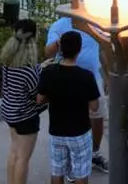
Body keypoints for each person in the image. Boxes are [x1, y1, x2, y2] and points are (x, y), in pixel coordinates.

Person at [38, 30, 102, 184]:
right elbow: (94, 107)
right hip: (80, 131)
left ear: (60, 48)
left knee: (57, 172)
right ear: (79, 50)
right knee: (81, 173)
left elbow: (40, 99)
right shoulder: (86, 76)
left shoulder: (48, 73)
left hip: (56, 129)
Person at [44, 17, 109, 173]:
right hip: (67, 80)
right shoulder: (60, 25)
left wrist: (107, 76)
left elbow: (102, 50)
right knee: (71, 118)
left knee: (98, 116)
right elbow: (47, 52)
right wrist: (59, 43)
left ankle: (94, 153)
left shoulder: (95, 22)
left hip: (93, 78)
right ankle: (69, 160)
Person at [0, 20, 46, 184]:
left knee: (14, 152)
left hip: (9, 111)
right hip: (25, 115)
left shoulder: (8, 61)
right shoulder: (30, 68)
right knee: (23, 158)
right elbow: (37, 95)